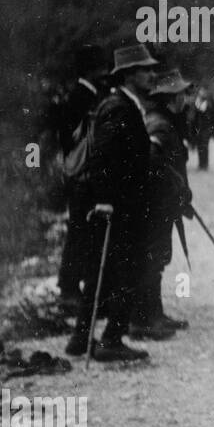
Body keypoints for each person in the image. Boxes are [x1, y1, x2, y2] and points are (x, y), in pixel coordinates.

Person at [64, 45, 159, 362]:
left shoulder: (121, 104)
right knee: (126, 272)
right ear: (130, 76)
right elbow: (104, 157)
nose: (151, 74)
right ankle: (111, 339)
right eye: (145, 70)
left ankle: (80, 338)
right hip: (120, 207)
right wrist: (104, 200)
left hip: (118, 205)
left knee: (99, 274)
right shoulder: (120, 108)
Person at [137, 69, 195, 338]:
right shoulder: (160, 124)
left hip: (162, 202)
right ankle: (144, 320)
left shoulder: (166, 121)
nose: (186, 98)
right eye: (183, 93)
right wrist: (174, 186)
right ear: (173, 98)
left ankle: (155, 314)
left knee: (158, 257)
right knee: (153, 257)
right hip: (157, 203)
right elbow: (151, 159)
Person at [57, 44, 111, 308]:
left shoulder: (81, 94)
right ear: (90, 71)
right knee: (79, 231)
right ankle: (68, 289)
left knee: (81, 230)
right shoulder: (83, 97)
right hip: (82, 173)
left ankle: (71, 287)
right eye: (100, 68)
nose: (105, 73)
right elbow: (72, 136)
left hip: (79, 172)